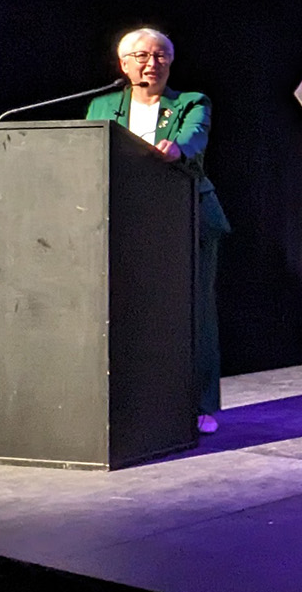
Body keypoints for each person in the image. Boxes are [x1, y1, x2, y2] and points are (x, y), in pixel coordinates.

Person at [85, 28, 230, 435]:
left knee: (194, 312)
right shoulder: (102, 105)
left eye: (161, 55)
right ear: (124, 64)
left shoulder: (190, 103)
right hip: (126, 221)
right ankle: (135, 403)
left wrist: (177, 148)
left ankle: (200, 404)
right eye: (143, 56)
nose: (152, 63)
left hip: (188, 217)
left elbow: (194, 138)